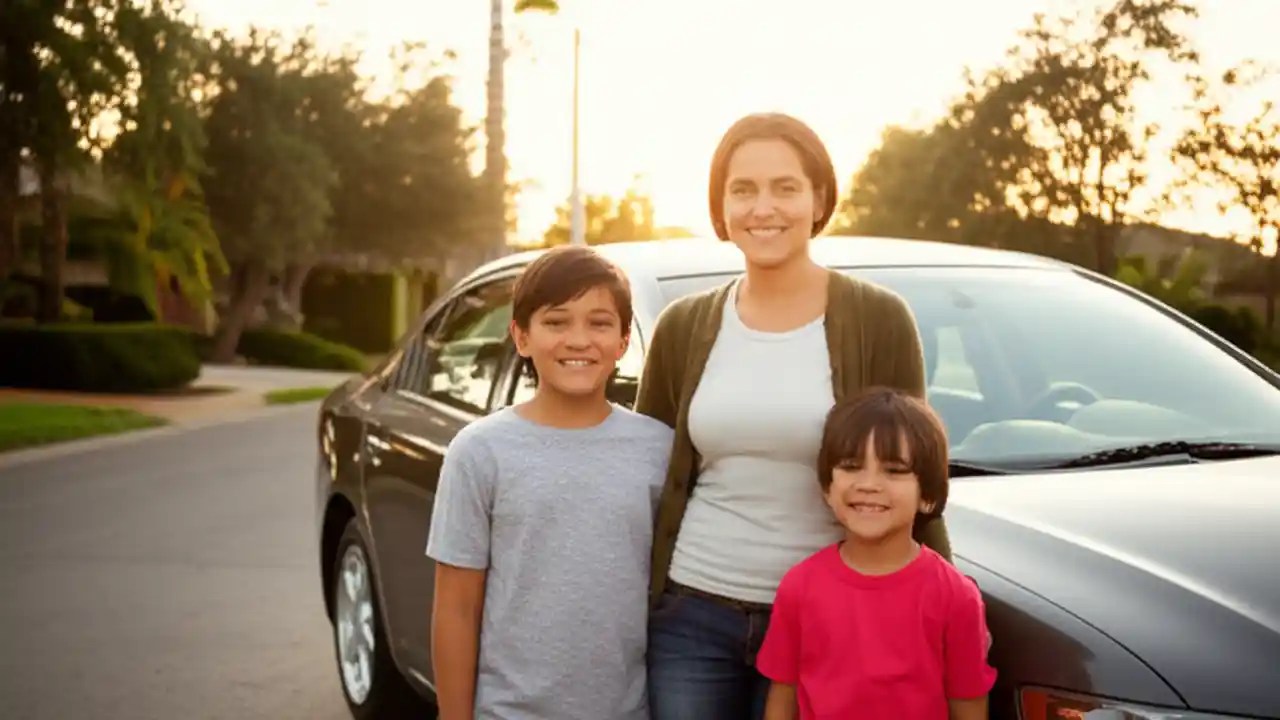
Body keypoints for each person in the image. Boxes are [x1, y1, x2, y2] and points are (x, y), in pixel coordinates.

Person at [635, 111, 953, 720]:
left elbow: (917, 476)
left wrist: (942, 606)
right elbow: (645, 473)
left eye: (785, 187)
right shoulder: (684, 327)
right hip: (691, 618)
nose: (764, 208)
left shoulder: (880, 319)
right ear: (720, 208)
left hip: (829, 620)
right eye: (743, 189)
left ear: (819, 200)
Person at [426, 245, 674, 720]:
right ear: (521, 336)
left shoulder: (658, 449)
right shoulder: (479, 452)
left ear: (624, 341)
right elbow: (456, 607)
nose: (578, 339)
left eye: (599, 323)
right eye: (556, 322)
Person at [756, 388, 996, 720]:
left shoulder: (956, 597)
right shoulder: (800, 586)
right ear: (827, 487)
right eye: (852, 466)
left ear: (927, 494)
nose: (869, 484)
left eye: (894, 471)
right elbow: (783, 697)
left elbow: (968, 707)